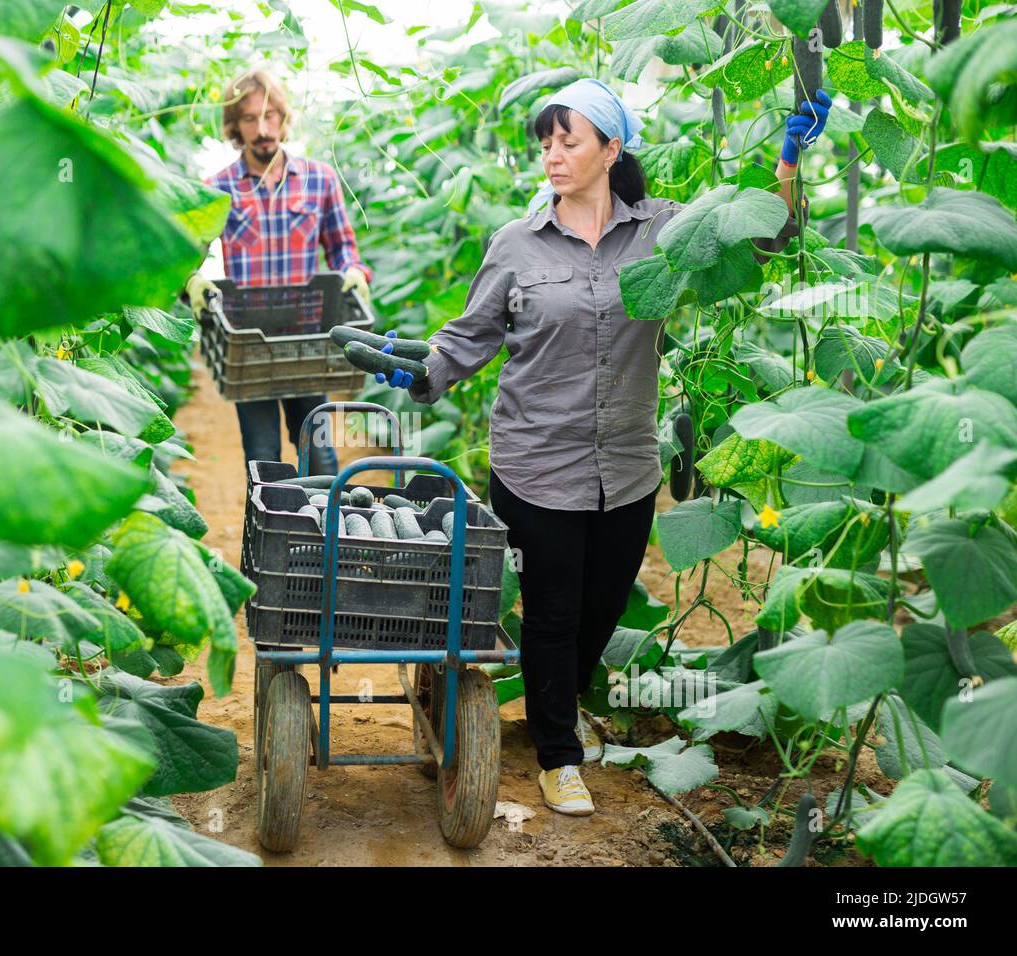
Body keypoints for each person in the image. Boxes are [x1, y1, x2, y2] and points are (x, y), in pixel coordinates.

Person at [369, 78, 830, 816]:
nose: (551, 155)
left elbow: (768, 236)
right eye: (545, 142)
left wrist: (788, 160)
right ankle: (558, 755)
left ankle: (556, 708)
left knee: (599, 611)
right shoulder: (515, 245)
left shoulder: (664, 231)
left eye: (567, 140)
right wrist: (419, 371)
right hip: (534, 463)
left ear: (612, 150)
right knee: (552, 611)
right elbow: (473, 336)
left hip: (625, 467)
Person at [183, 67, 373, 475]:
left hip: (308, 341)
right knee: (264, 460)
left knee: (320, 459)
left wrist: (353, 271)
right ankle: (272, 536)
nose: (263, 128)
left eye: (271, 117)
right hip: (248, 348)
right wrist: (191, 281)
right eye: (250, 119)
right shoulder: (217, 189)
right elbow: (188, 259)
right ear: (235, 126)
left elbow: (341, 248)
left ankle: (321, 538)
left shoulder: (319, 181)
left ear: (284, 120)